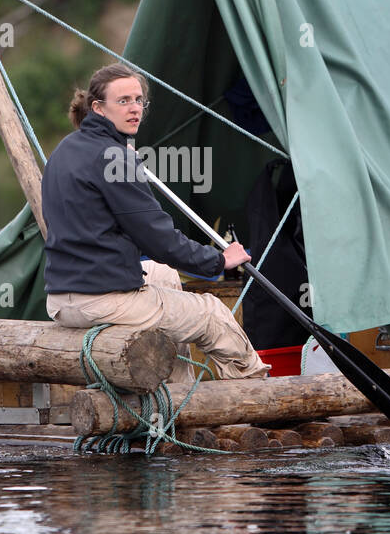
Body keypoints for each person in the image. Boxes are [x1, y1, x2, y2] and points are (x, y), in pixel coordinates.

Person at [41, 63, 270, 380]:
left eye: (138, 100)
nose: (134, 109)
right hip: (102, 300)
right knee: (213, 315)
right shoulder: (115, 158)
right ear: (98, 107)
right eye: (123, 101)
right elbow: (160, 240)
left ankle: (177, 393)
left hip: (62, 298)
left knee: (162, 274)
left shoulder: (66, 149)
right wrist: (219, 260)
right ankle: (259, 400)